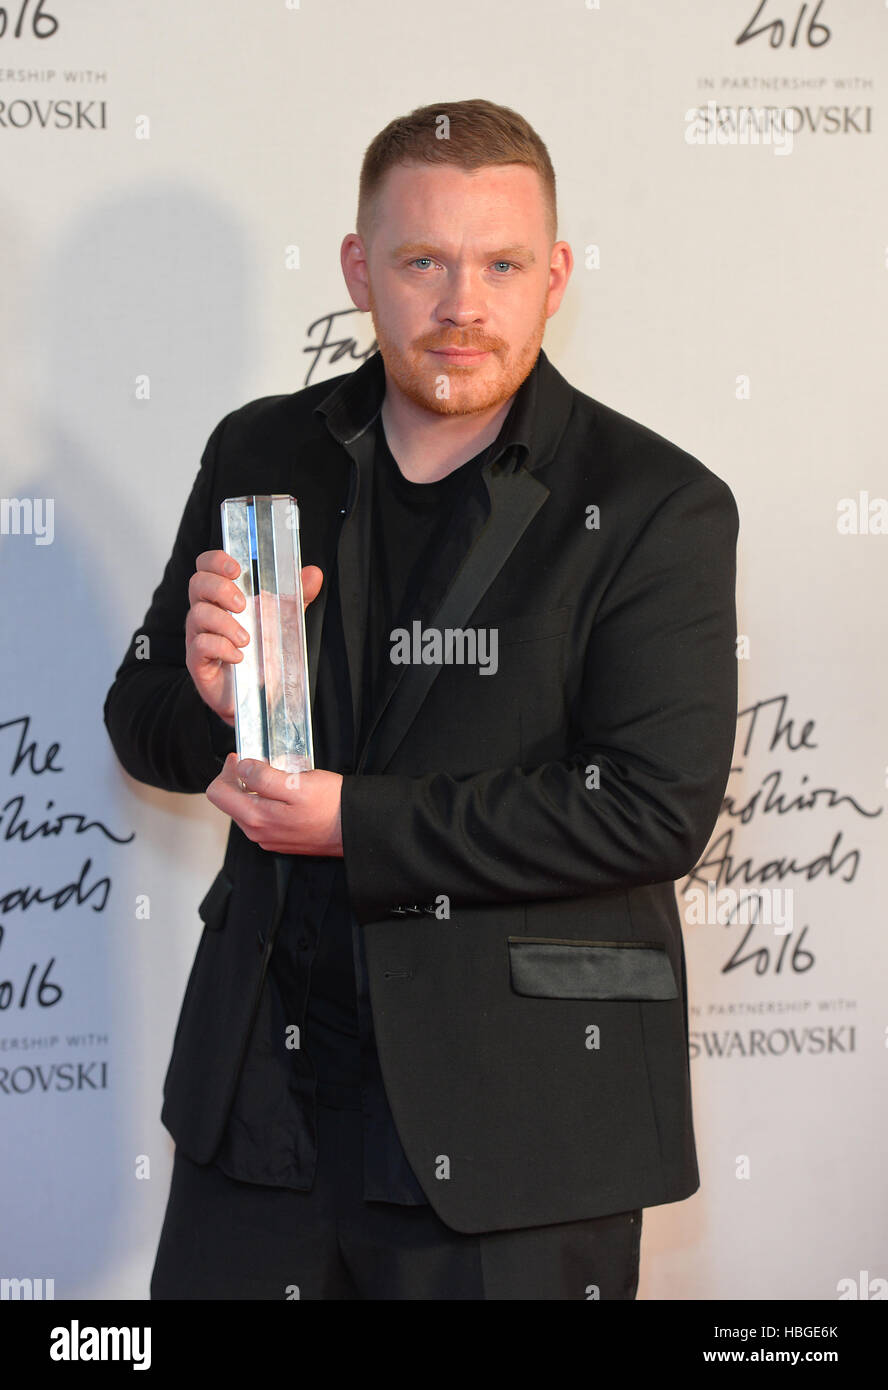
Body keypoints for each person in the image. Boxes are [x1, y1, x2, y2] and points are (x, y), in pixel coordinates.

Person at [103, 98, 739, 1300]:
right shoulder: (261, 450)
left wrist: (354, 820)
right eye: (422, 263)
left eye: (501, 265)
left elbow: (651, 810)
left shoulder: (656, 503)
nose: (463, 304)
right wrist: (206, 700)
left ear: (554, 279)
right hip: (263, 1112)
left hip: (520, 1132)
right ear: (359, 270)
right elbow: (143, 723)